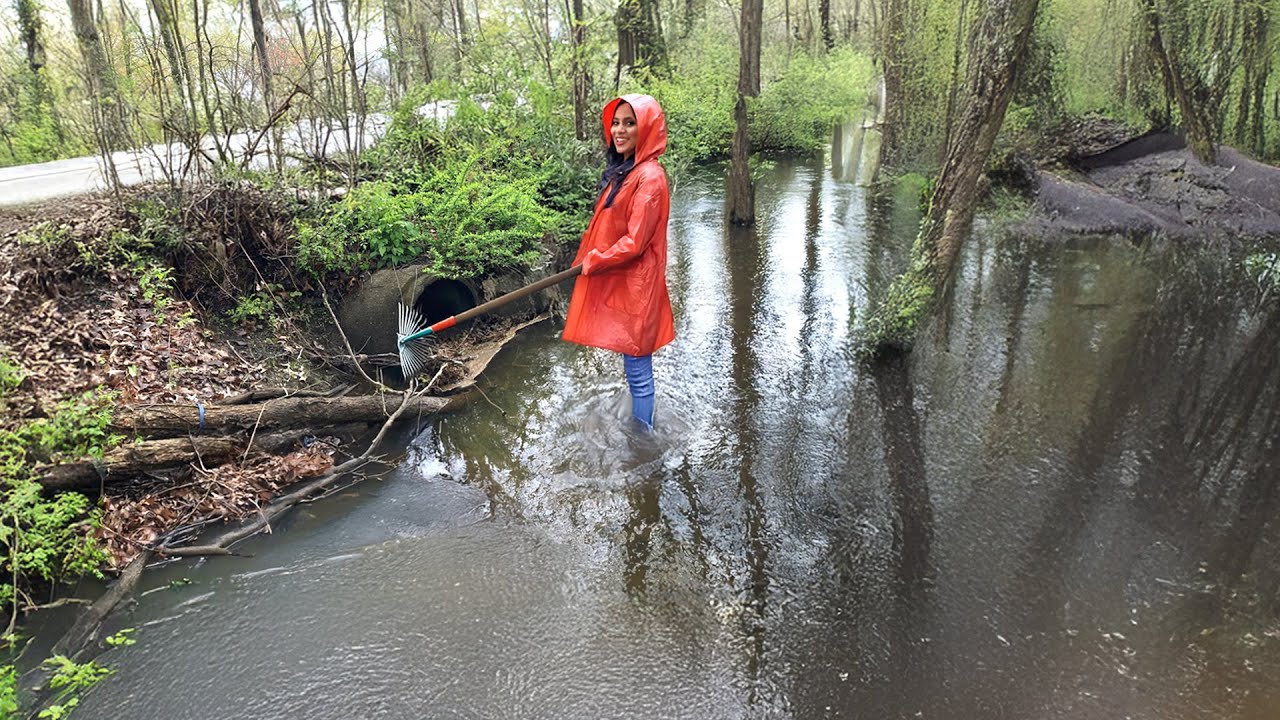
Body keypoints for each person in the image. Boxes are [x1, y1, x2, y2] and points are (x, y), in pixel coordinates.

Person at [562, 94, 676, 430]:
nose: (619, 130)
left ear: (648, 129)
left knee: (639, 370)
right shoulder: (627, 171)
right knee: (634, 365)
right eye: (616, 122)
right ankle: (642, 429)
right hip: (626, 280)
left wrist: (595, 260)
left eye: (630, 123)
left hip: (638, 286)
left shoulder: (650, 178)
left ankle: (644, 440)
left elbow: (635, 242)